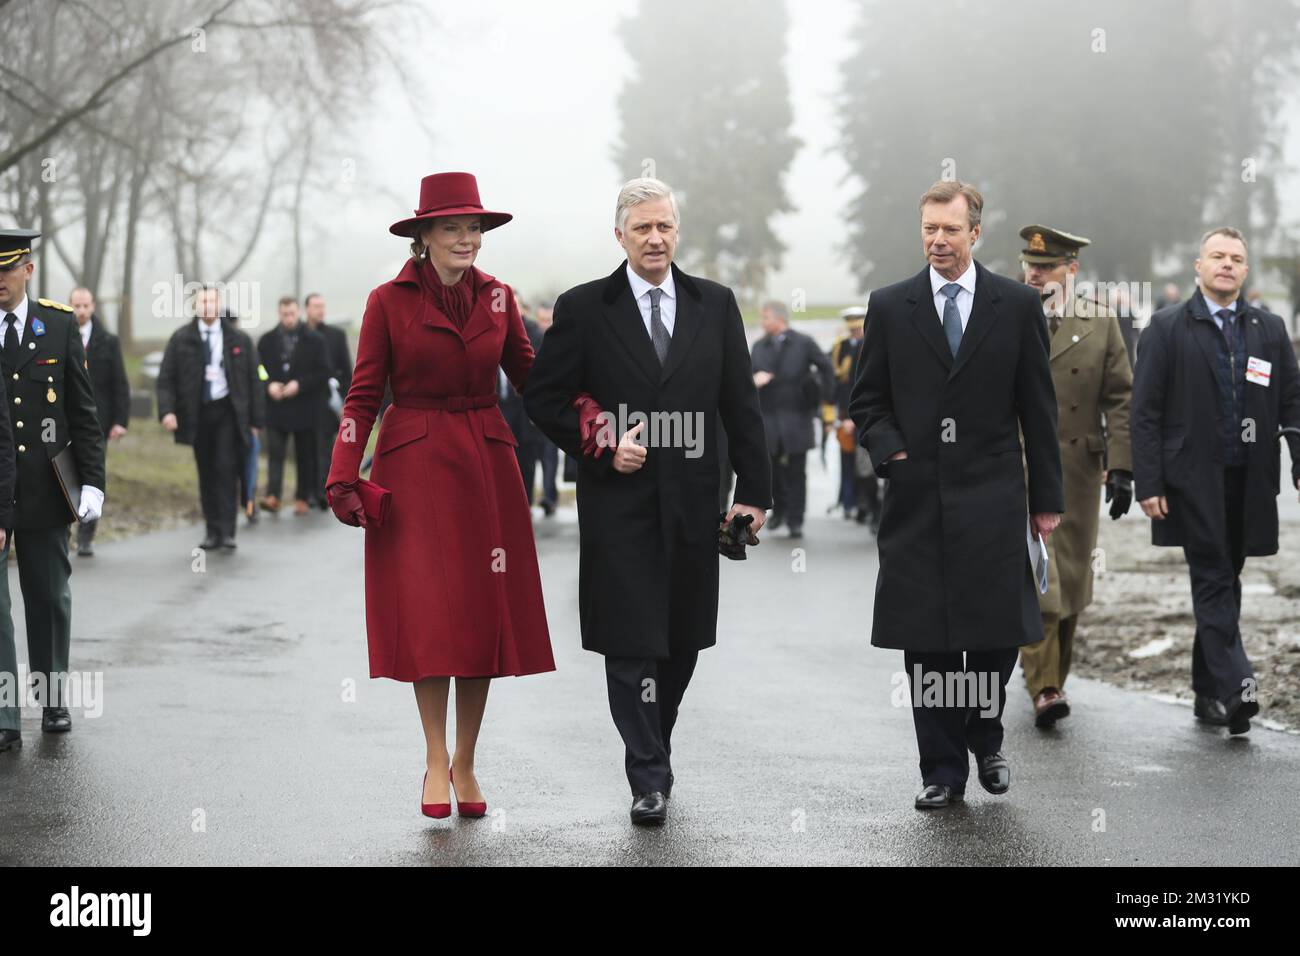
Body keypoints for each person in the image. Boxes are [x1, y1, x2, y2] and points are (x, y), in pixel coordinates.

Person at [524, 177, 771, 826]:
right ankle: (648, 775)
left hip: (696, 501)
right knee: (630, 642)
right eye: (642, 229)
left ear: (676, 231)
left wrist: (754, 494)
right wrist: (603, 441)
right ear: (620, 237)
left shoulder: (714, 305)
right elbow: (544, 398)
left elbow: (741, 407)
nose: (655, 238)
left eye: (664, 226)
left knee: (681, 644)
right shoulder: (583, 308)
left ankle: (655, 741)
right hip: (620, 504)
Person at [326, 171, 554, 819]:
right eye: (452, 226)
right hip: (413, 466)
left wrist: (593, 427)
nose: (467, 238)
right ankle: (433, 757)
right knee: (430, 617)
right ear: (423, 235)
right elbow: (364, 395)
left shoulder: (501, 299)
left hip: (487, 462)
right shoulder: (386, 302)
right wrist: (343, 470)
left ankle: (468, 759)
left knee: (481, 616)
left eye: (474, 227)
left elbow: (536, 383)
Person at [849, 182, 1063, 810]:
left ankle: (983, 728)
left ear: (975, 233)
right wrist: (892, 451)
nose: (937, 240)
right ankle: (941, 770)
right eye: (928, 230)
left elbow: (1039, 409)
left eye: (949, 229)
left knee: (997, 636)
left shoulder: (1017, 305)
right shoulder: (891, 306)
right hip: (917, 499)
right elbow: (868, 399)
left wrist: (1045, 498)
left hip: (994, 498)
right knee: (929, 641)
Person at [1131, 227, 1300, 735]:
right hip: (1191, 479)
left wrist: (1297, 457)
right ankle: (1236, 688)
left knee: (1228, 577)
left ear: (1245, 271)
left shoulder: (1268, 329)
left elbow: (1292, 398)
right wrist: (1149, 482)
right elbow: (1145, 413)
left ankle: (1207, 691)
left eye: (1236, 258)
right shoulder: (1166, 327)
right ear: (1198, 266)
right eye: (1217, 256)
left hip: (1250, 480)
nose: (1226, 265)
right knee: (1210, 576)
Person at [1015, 225, 1133, 727]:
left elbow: (1120, 397)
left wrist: (1123, 467)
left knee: (1072, 577)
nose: (1037, 274)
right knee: (1037, 576)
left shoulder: (1101, 322)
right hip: (1017, 464)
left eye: (1047, 267)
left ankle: (1054, 680)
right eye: (1031, 266)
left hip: (1079, 467)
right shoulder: (1005, 316)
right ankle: (1043, 686)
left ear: (1071, 270)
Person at [0, 229, 104, 746]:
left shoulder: (59, 325)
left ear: (27, 270)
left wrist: (93, 484)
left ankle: (53, 699)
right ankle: (4, 714)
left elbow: (83, 414)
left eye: (6, 269)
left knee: (47, 597)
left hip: (45, 486)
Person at [157, 285, 264, 550]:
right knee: (206, 472)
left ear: (219, 305)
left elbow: (254, 380)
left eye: (212, 301)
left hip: (228, 412)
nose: (207, 306)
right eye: (202, 301)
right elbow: (166, 379)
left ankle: (228, 531)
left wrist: (255, 421)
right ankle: (211, 530)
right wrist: (168, 411)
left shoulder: (238, 339)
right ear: (196, 306)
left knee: (226, 468)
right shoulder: (181, 338)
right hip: (197, 414)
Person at [749, 300, 834, 538]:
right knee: (771, 470)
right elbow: (744, 376)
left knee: (797, 471)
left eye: (765, 318)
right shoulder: (759, 347)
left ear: (780, 319)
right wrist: (755, 379)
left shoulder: (803, 343)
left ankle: (796, 519)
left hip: (797, 416)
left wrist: (820, 398)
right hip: (768, 418)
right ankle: (779, 511)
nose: (762, 322)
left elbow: (827, 368)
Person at [68, 286, 130, 557]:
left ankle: (86, 534)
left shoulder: (108, 341)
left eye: (85, 306)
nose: (81, 311)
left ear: (93, 307)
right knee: (67, 473)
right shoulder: (60, 336)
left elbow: (120, 383)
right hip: (66, 420)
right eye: (76, 306)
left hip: (98, 422)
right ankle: (65, 526)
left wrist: (120, 420)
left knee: (92, 473)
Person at [258, 296, 328, 515]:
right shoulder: (266, 341)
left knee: (305, 454)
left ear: (298, 312)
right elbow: (258, 369)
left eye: (292, 314)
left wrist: (300, 384)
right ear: (279, 314)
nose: (288, 318)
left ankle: (302, 497)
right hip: (277, 407)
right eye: (284, 314)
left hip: (305, 407)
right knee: (275, 453)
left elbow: (323, 371)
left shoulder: (315, 340)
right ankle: (273, 496)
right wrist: (268, 385)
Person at [830, 305, 878, 529]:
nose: (855, 333)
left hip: (866, 415)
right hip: (847, 413)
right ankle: (851, 502)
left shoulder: (872, 344)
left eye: (858, 329)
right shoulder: (841, 347)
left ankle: (869, 506)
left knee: (866, 463)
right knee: (849, 461)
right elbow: (838, 383)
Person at [304, 293, 351, 510]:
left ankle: (323, 491)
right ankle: (308, 491)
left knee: (324, 447)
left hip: (329, 399)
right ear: (307, 309)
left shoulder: (336, 335)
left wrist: (344, 401)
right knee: (306, 447)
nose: (320, 311)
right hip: (305, 399)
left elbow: (347, 370)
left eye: (322, 306)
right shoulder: (300, 335)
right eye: (315, 306)